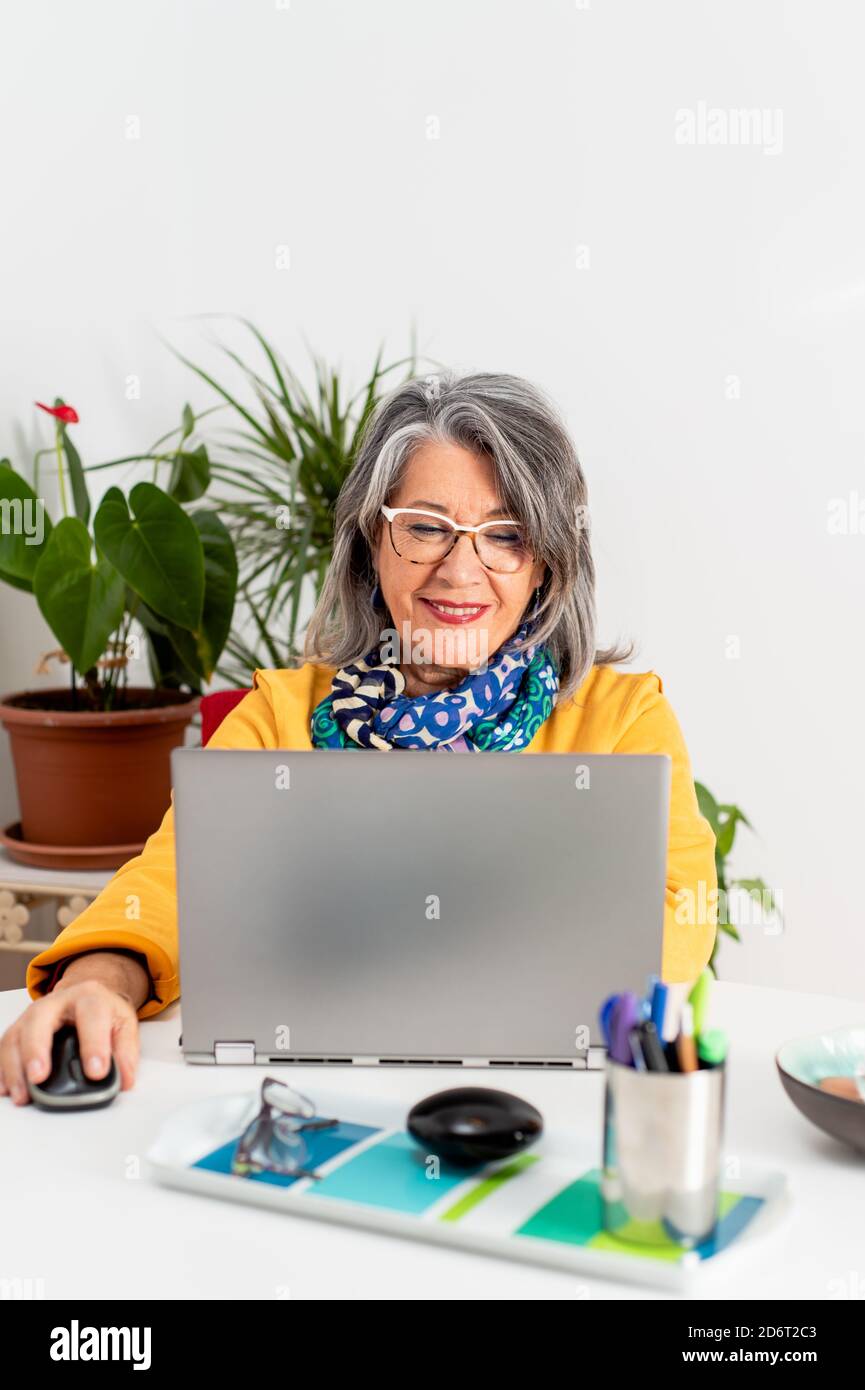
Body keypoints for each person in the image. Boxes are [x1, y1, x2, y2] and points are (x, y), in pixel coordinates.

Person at [0, 372, 717, 1105]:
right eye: (426, 526)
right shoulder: (279, 716)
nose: (461, 570)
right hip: (305, 1091)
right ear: (372, 540)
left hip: (552, 1093)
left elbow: (677, 916)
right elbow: (172, 880)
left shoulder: (624, 719)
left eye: (506, 536)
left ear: (546, 567)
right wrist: (97, 984)